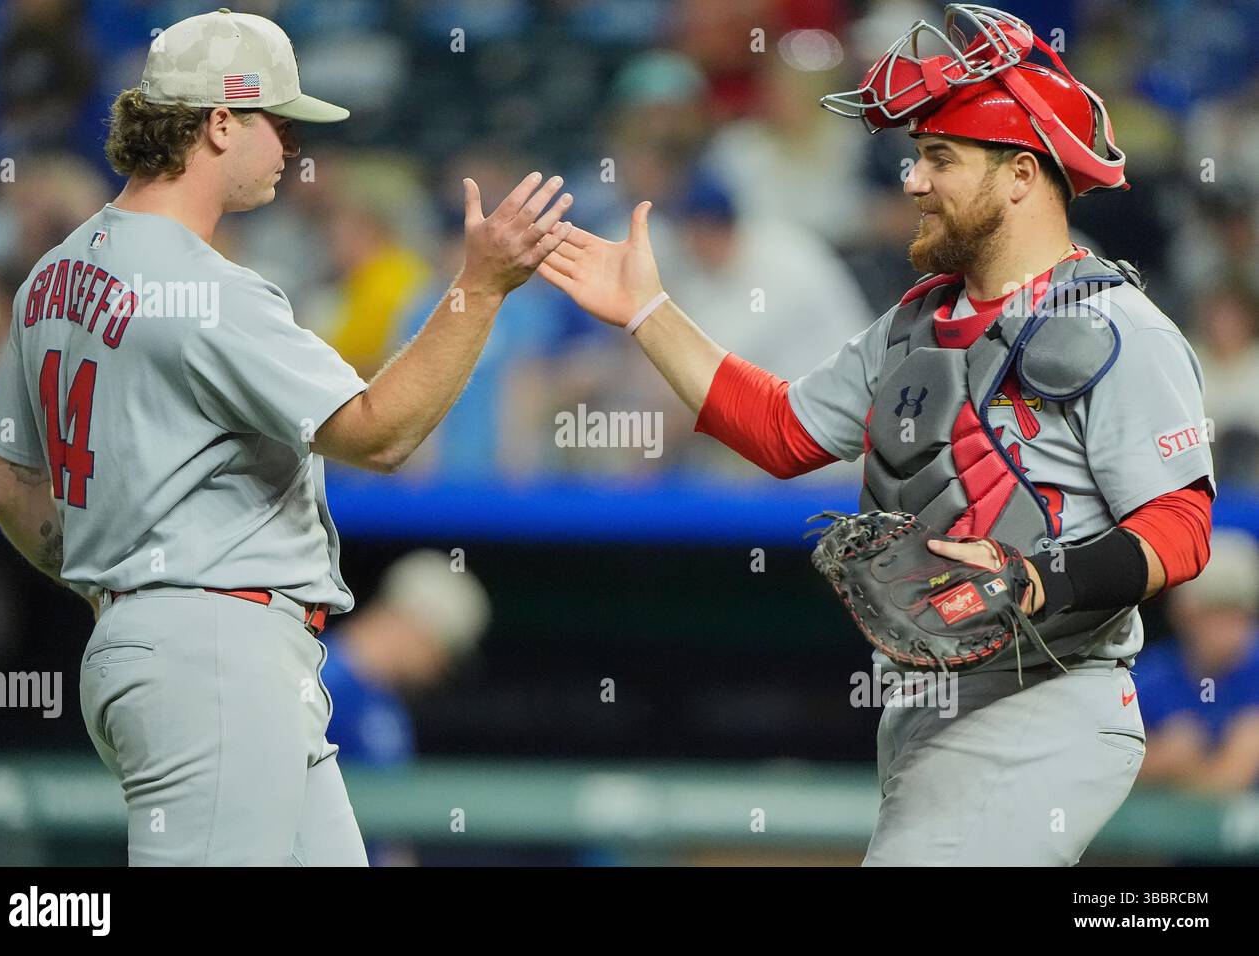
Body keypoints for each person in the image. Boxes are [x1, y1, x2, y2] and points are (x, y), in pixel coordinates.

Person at [539, 3, 1215, 865]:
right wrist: (648, 311)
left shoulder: (1117, 327)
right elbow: (781, 432)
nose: (913, 182)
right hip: (924, 708)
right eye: (915, 158)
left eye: (940, 158)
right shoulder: (915, 325)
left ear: (1019, 173)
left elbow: (1181, 529)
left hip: (1044, 705)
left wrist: (1039, 577)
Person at [0, 8, 572, 866]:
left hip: (171, 646)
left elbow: (6, 485)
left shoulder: (55, 272)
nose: (291, 147)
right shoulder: (205, 288)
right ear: (220, 122)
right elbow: (380, 435)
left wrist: (122, 590)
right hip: (216, 655)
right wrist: (479, 290)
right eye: (278, 122)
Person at [321, 550, 491, 768]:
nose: (440, 671)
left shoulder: (387, 704)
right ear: (416, 626)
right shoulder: (311, 677)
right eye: (444, 652)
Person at [1136, 529, 1259, 793]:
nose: (1227, 629)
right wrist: (1159, 758)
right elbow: (1102, 764)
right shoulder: (1154, 672)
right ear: (1183, 614)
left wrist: (1189, 769)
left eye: (1238, 614)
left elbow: (1231, 777)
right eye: (1212, 612)